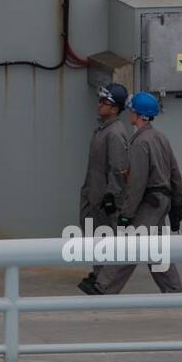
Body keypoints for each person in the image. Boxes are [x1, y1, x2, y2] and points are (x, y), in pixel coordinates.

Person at [83, 92, 182, 295]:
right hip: (161, 202)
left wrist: (126, 214)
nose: (129, 114)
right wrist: (177, 207)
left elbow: (137, 184)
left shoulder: (140, 143)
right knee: (154, 249)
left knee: (130, 243)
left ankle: (103, 287)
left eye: (131, 110)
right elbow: (175, 174)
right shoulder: (160, 138)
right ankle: (173, 290)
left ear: (137, 115)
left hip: (148, 203)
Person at [76, 83, 131, 292]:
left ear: (115, 108)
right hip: (93, 193)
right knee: (94, 234)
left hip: (104, 197)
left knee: (104, 237)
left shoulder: (115, 133)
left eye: (104, 102)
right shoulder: (103, 130)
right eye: (100, 101)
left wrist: (111, 196)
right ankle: (98, 273)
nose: (99, 105)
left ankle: (104, 280)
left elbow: (118, 169)